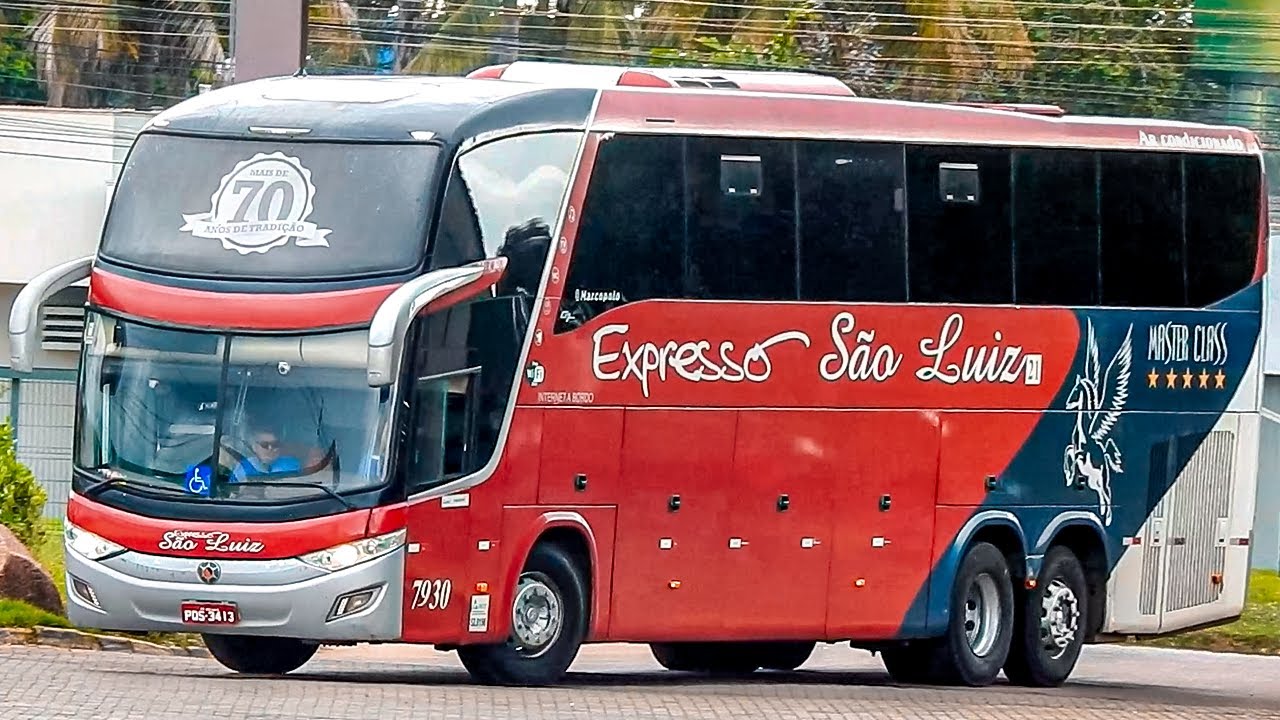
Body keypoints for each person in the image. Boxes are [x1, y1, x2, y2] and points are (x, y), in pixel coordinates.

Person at [230, 426, 302, 483]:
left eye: (275, 444)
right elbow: (233, 491)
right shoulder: (243, 466)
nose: (270, 448)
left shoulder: (291, 465)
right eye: (264, 445)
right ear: (254, 447)